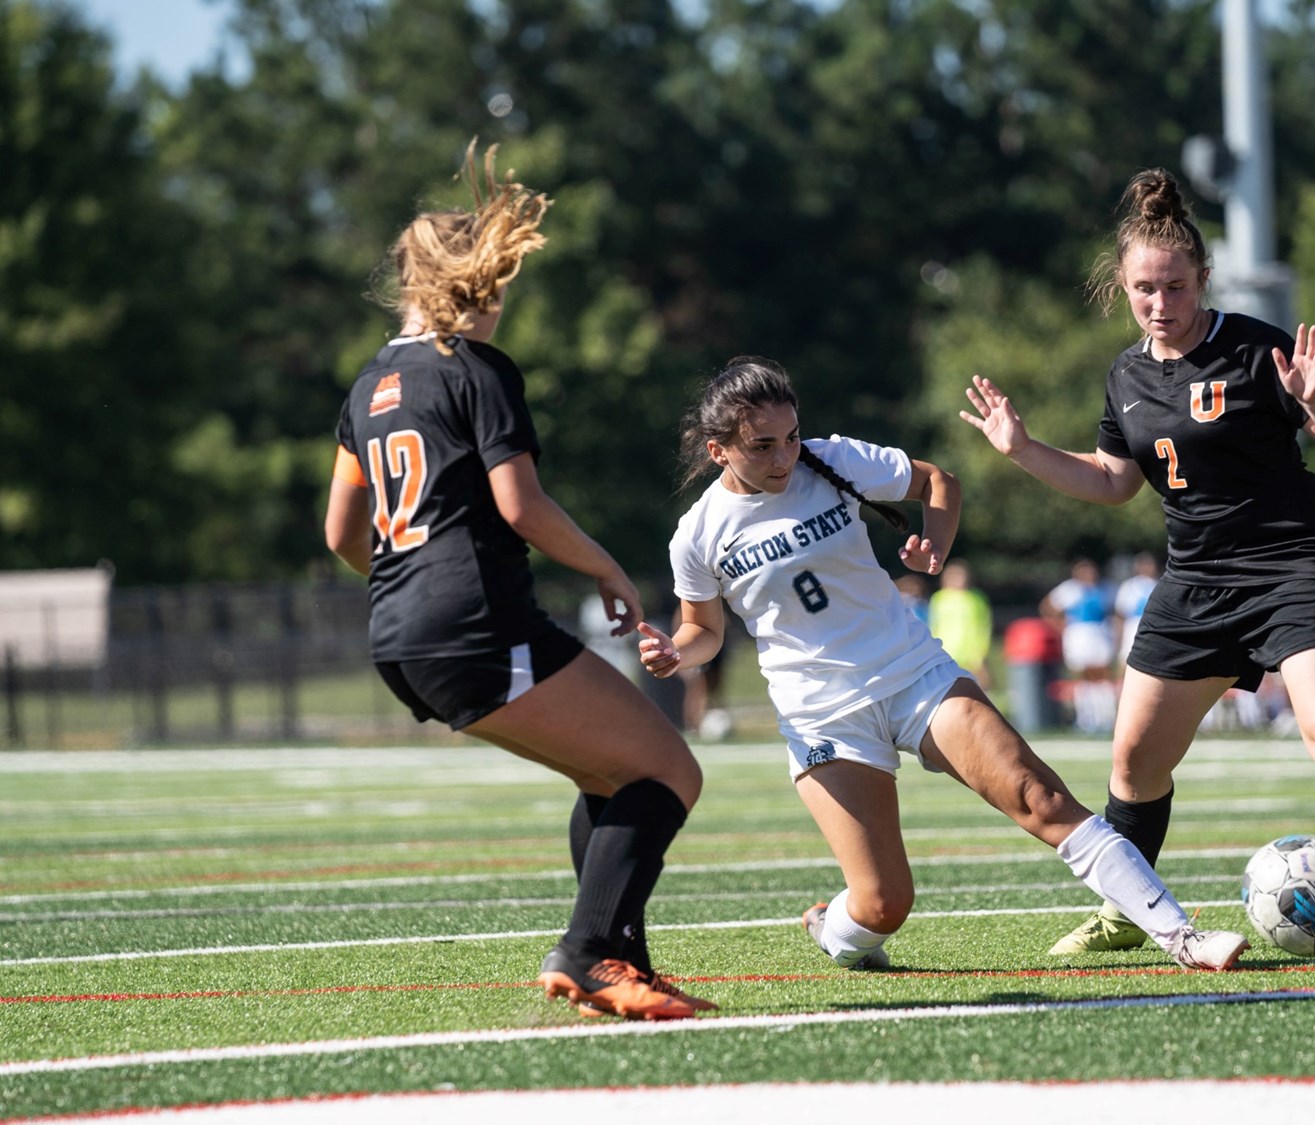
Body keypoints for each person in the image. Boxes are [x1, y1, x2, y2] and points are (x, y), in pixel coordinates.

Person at [959, 167, 1315, 962]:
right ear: (1124, 289)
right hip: (1196, 584)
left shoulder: (1259, 346)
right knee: (1135, 758)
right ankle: (1127, 908)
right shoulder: (1126, 375)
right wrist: (1022, 450)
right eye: (1143, 290)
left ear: (1203, 279)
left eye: (1174, 287)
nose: (1160, 304)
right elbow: (1111, 480)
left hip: (1294, 568)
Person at [636, 357, 1249, 973]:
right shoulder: (697, 534)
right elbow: (704, 631)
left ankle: (1181, 937)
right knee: (882, 906)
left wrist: (936, 544)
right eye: (762, 446)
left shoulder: (834, 459)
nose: (784, 457)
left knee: (1040, 796)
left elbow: (938, 482)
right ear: (719, 451)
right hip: (822, 716)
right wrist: (675, 652)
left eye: (791, 437)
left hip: (912, 673)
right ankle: (833, 928)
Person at [322, 144, 713, 1020]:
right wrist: (608, 564)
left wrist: (407, 584)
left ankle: (621, 961)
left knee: (617, 775)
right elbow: (521, 506)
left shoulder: (368, 383)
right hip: (477, 618)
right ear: (475, 287)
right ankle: (585, 951)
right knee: (670, 771)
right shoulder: (477, 369)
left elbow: (342, 532)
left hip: (400, 633)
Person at [1043, 558, 1118, 733]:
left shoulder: (1105, 588)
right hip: (1079, 634)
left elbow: (1116, 610)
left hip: (1100, 632)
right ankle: (1086, 717)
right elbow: (1048, 606)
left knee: (1102, 673)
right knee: (1082, 674)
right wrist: (1060, 625)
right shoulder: (1069, 589)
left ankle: (1106, 716)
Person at [926, 558, 993, 688]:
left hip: (972, 652)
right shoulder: (939, 598)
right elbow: (934, 624)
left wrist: (981, 652)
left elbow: (984, 625)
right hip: (947, 649)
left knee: (978, 685)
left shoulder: (977, 598)